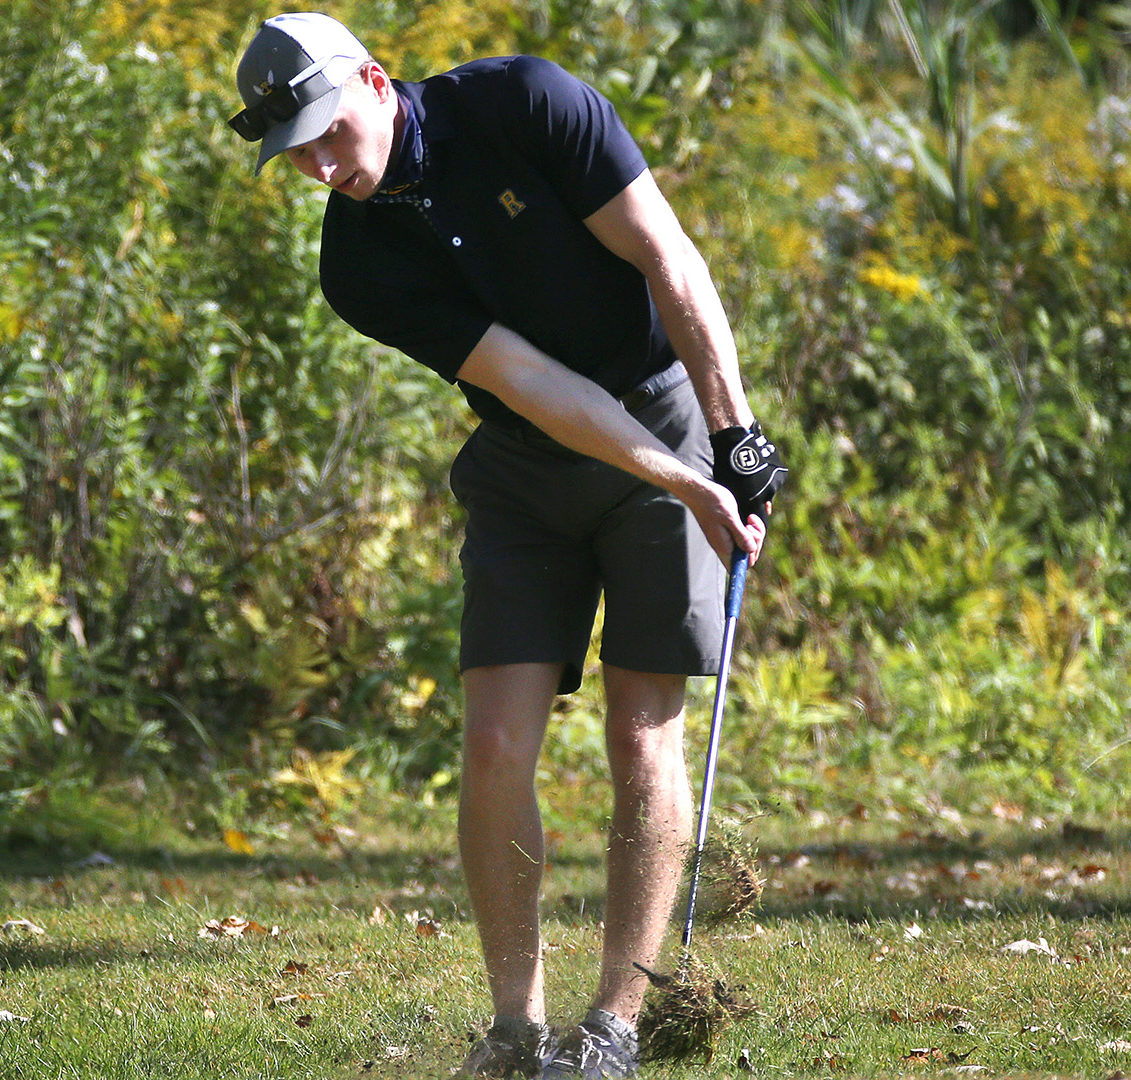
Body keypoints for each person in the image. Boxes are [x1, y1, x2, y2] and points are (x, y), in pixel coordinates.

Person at [227, 14, 787, 1079]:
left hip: (658, 406)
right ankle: (517, 1031)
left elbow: (667, 255)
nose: (319, 166)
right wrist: (687, 483)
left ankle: (617, 1024)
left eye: (327, 132)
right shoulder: (355, 266)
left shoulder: (527, 103)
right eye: (295, 151)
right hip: (531, 462)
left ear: (377, 83)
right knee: (492, 746)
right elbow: (531, 384)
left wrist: (731, 436)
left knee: (641, 736)